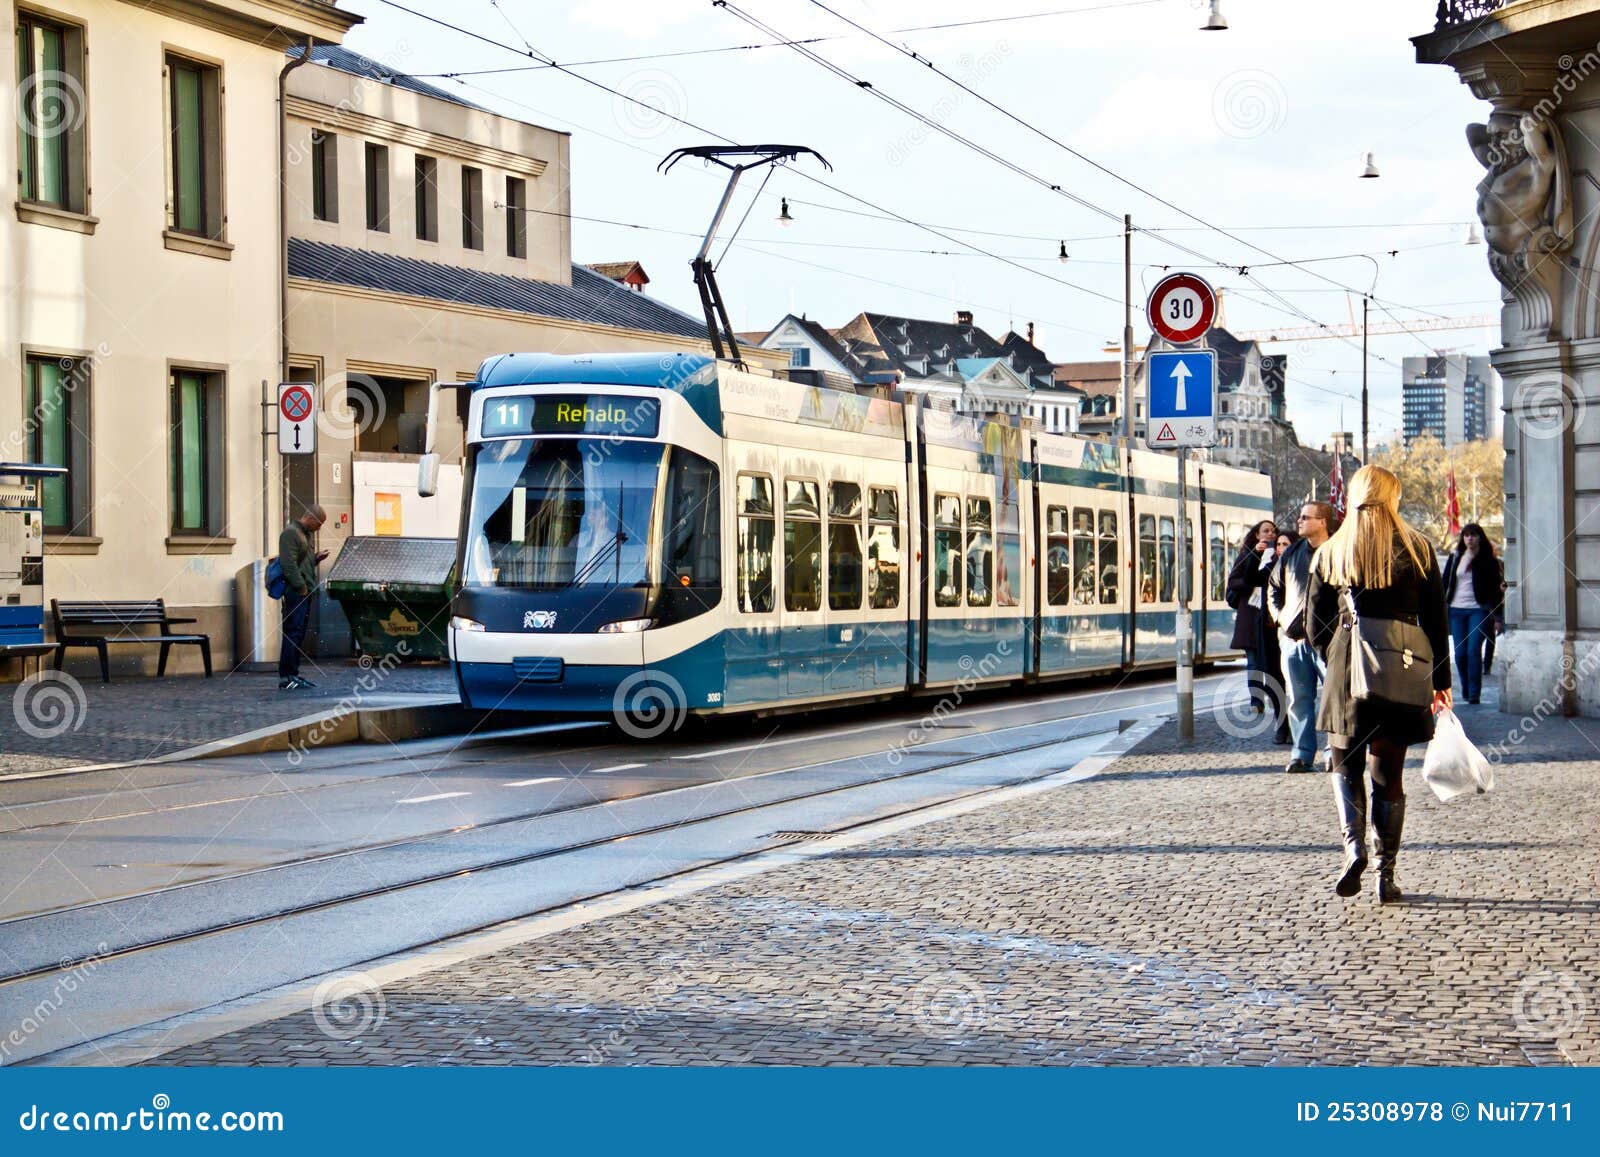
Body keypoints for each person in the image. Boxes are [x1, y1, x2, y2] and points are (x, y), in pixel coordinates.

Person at [1307, 466, 1451, 904]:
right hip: (1401, 673)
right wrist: (1440, 682)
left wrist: (1339, 655)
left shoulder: (1331, 552)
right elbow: (1436, 623)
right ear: (1392, 497)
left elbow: (1315, 626)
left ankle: (1354, 849)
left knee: (1344, 767)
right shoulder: (1418, 549)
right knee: (1388, 776)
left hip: (1347, 675)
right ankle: (1386, 876)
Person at [1269, 502, 1335, 774]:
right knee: (1298, 699)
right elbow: (1273, 588)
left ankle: (1335, 752)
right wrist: (1280, 618)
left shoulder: (1338, 551)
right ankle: (1302, 754)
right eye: (1299, 517)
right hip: (1293, 640)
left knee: (1334, 700)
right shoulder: (1292, 553)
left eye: (1306, 517)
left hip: (1329, 642)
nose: (1299, 521)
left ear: (1323, 522)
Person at [1226, 519, 1289, 742]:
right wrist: (1254, 556)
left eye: (1274, 532)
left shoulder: (1281, 560)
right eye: (1266, 531)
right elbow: (1239, 580)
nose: (1271, 535)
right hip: (1253, 618)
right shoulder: (1248, 555)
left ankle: (1287, 723)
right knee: (1257, 664)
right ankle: (1258, 701)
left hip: (1280, 623)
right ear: (1256, 535)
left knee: (1282, 674)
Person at [1442, 524, 1502, 705]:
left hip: (1478, 610)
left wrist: (1498, 617)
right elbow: (1444, 583)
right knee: (1460, 654)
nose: (1469, 538)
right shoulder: (1455, 558)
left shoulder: (1489, 561)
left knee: (1473, 650)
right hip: (1456, 611)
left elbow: (1495, 591)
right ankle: (1466, 689)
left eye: (1473, 535)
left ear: (1480, 538)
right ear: (1463, 538)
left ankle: (1474, 694)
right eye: (1466, 535)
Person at [278, 504, 329, 690]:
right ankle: (287, 675)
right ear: (310, 518)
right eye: (319, 524)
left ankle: (293, 673)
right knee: (293, 632)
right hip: (296, 592)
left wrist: (316, 559)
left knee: (298, 633)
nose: (319, 528)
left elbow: (302, 564)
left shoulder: (305, 535)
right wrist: (301, 587)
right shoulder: (290, 534)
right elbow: (289, 565)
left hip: (305, 590)